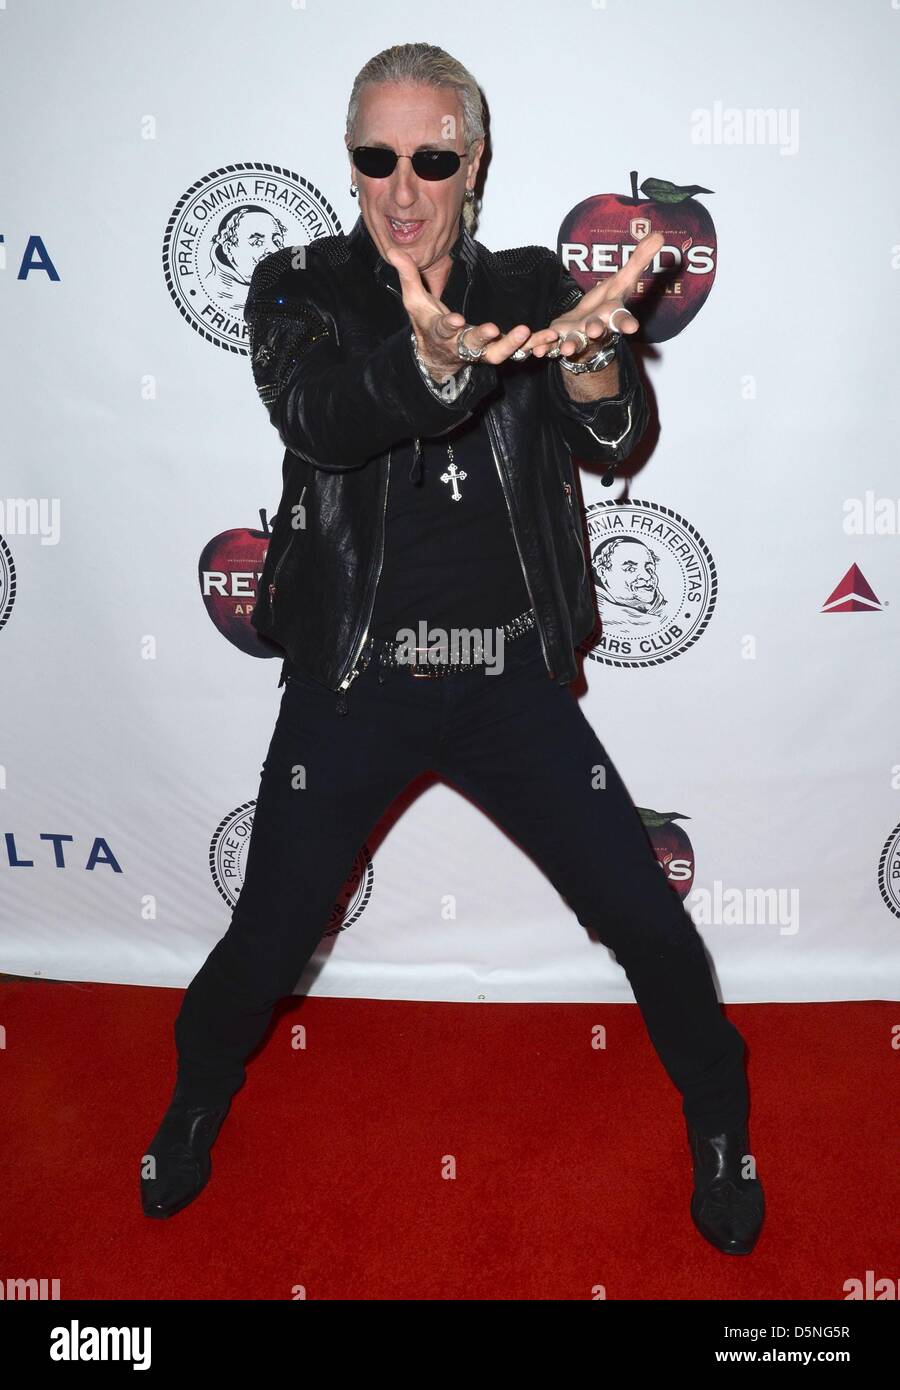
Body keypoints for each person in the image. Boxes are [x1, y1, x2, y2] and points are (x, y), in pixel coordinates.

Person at [140, 42, 764, 1256]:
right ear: (353, 163)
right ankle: (198, 1091)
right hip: (353, 682)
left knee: (643, 914)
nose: (405, 186)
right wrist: (428, 365)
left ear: (472, 160)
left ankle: (725, 1114)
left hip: (507, 683)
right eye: (378, 157)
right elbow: (319, 417)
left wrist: (592, 368)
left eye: (432, 155)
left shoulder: (533, 282)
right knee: (269, 936)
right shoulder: (295, 287)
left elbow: (616, 434)